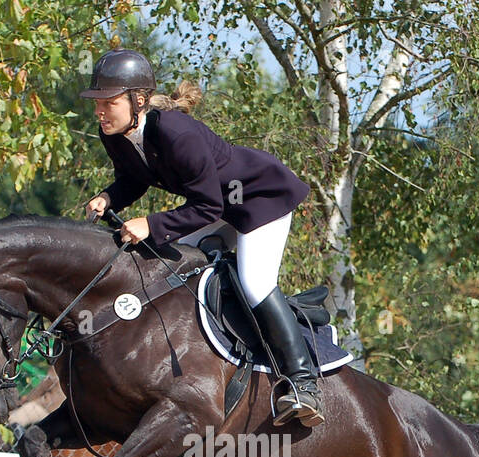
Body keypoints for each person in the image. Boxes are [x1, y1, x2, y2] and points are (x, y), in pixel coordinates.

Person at [81, 49, 324, 427]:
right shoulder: (115, 133)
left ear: (138, 101)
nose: (100, 111)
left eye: (109, 103)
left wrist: (152, 224)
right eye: (97, 103)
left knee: (256, 283)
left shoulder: (178, 134)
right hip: (220, 205)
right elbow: (133, 179)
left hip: (261, 200)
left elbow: (207, 207)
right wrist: (109, 196)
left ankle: (304, 383)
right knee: (168, 262)